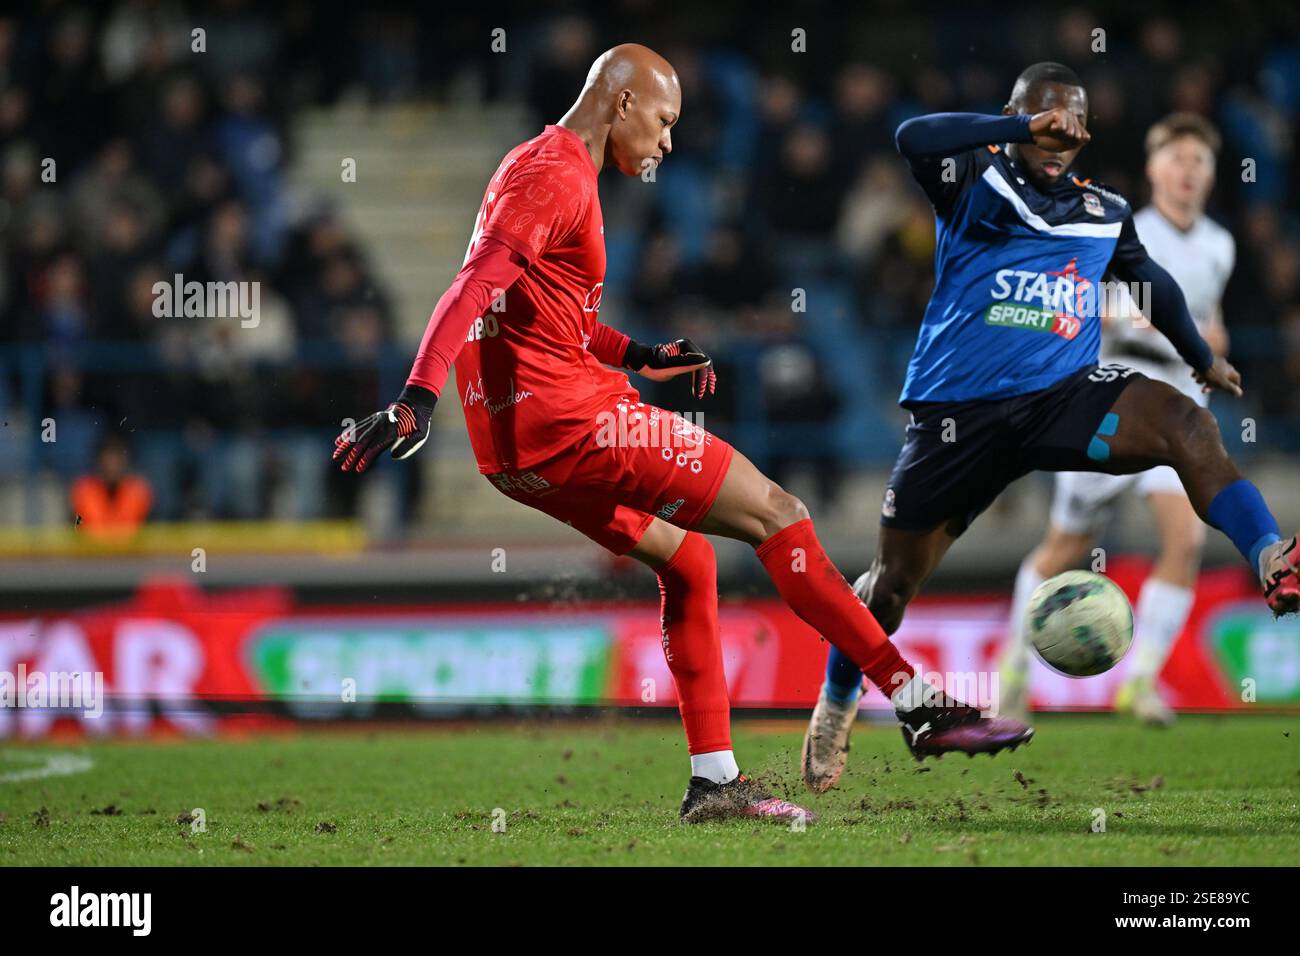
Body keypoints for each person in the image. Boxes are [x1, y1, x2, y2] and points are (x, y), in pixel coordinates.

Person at [333, 44, 1031, 823]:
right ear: (623, 104)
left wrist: (639, 354)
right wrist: (414, 399)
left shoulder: (533, 168)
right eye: (664, 122)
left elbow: (545, 316)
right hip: (573, 422)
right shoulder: (558, 175)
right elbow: (472, 288)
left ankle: (715, 784)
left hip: (518, 454)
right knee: (779, 512)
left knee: (691, 561)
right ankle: (916, 700)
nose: (668, 143)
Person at [802, 63, 1298, 794]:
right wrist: (1013, 130)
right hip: (957, 418)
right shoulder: (973, 180)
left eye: (1071, 121)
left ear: (1088, 134)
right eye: (1043, 117)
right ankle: (836, 702)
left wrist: (1200, 357)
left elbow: (1147, 280)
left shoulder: (1105, 210)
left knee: (1186, 423)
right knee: (890, 587)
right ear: (1017, 118)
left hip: (1062, 398)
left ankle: (1268, 554)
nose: (1058, 131)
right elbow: (912, 135)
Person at [999, 113, 1235, 727]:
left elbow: (1211, 322)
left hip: (1181, 406)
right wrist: (1144, 324)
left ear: (1210, 176)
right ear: (1154, 169)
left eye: (1199, 162)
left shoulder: (1220, 245)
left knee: (1186, 539)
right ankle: (1014, 670)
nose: (1188, 171)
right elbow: (1085, 306)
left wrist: (1210, 343)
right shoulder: (1121, 228)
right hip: (1113, 397)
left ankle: (1141, 682)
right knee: (1067, 547)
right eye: (1176, 159)